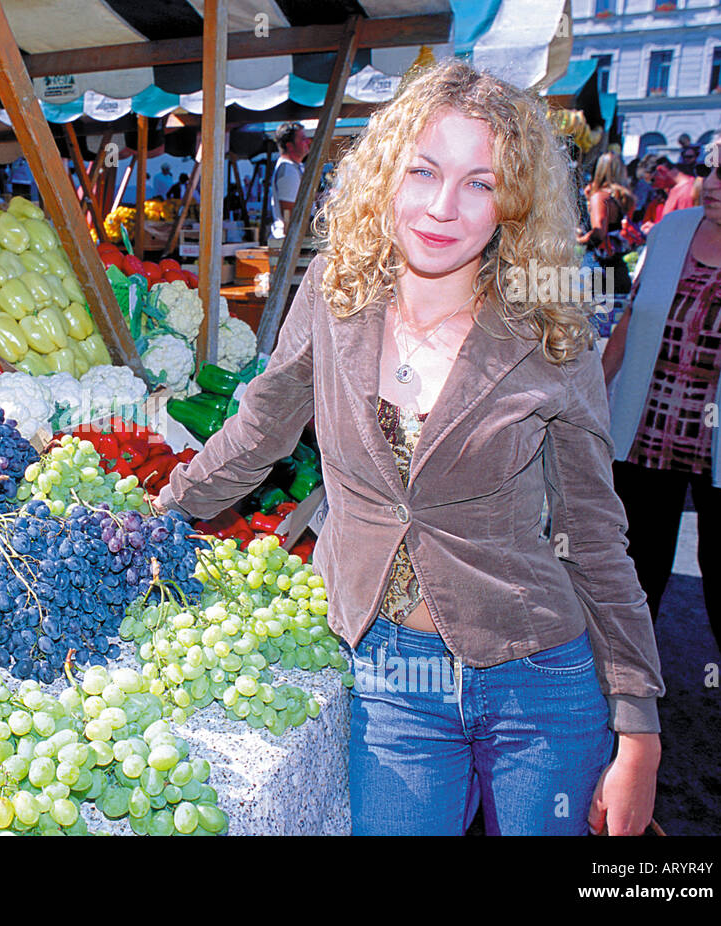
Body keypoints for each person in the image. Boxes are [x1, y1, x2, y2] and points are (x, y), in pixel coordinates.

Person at [155, 60, 663, 835]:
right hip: (392, 673)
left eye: (480, 184)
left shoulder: (549, 335)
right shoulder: (334, 291)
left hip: (538, 678)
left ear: (513, 205)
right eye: (424, 171)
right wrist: (165, 510)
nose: (441, 207)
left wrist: (639, 730)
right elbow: (261, 428)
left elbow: (595, 535)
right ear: (388, 172)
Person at [601, 115, 721, 769]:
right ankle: (621, 696)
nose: (708, 183)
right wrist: (590, 400)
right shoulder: (671, 232)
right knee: (630, 570)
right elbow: (632, 319)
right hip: (646, 428)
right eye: (705, 168)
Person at [577, 152, 635, 296]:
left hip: (600, 269)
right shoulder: (624, 197)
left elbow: (599, 233)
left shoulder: (601, 197)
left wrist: (579, 239)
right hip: (619, 267)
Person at [268, 121, 310, 240]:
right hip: (288, 239)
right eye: (302, 139)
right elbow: (289, 215)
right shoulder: (288, 171)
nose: (307, 141)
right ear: (290, 146)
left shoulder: (295, 167)